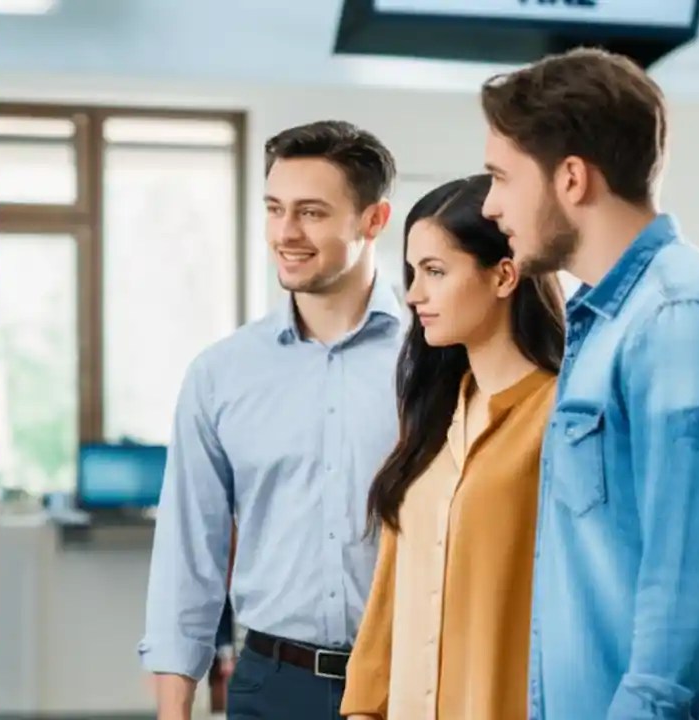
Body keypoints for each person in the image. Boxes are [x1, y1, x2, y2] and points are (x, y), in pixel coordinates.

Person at [479, 47, 699, 719]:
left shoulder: (684, 323)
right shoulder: (609, 322)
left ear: (571, 178)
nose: (489, 205)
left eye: (502, 178)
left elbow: (684, 636)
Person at [139, 120, 405, 720]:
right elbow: (188, 551)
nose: (286, 233)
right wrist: (173, 709)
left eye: (311, 212)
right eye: (275, 209)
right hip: (273, 685)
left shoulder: (433, 360)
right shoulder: (221, 373)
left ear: (374, 220)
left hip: (409, 679)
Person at [339, 174, 563, 720]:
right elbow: (388, 596)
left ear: (504, 275)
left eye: (435, 271)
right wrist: (363, 708)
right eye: (413, 273)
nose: (414, 294)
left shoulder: (561, 418)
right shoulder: (432, 416)